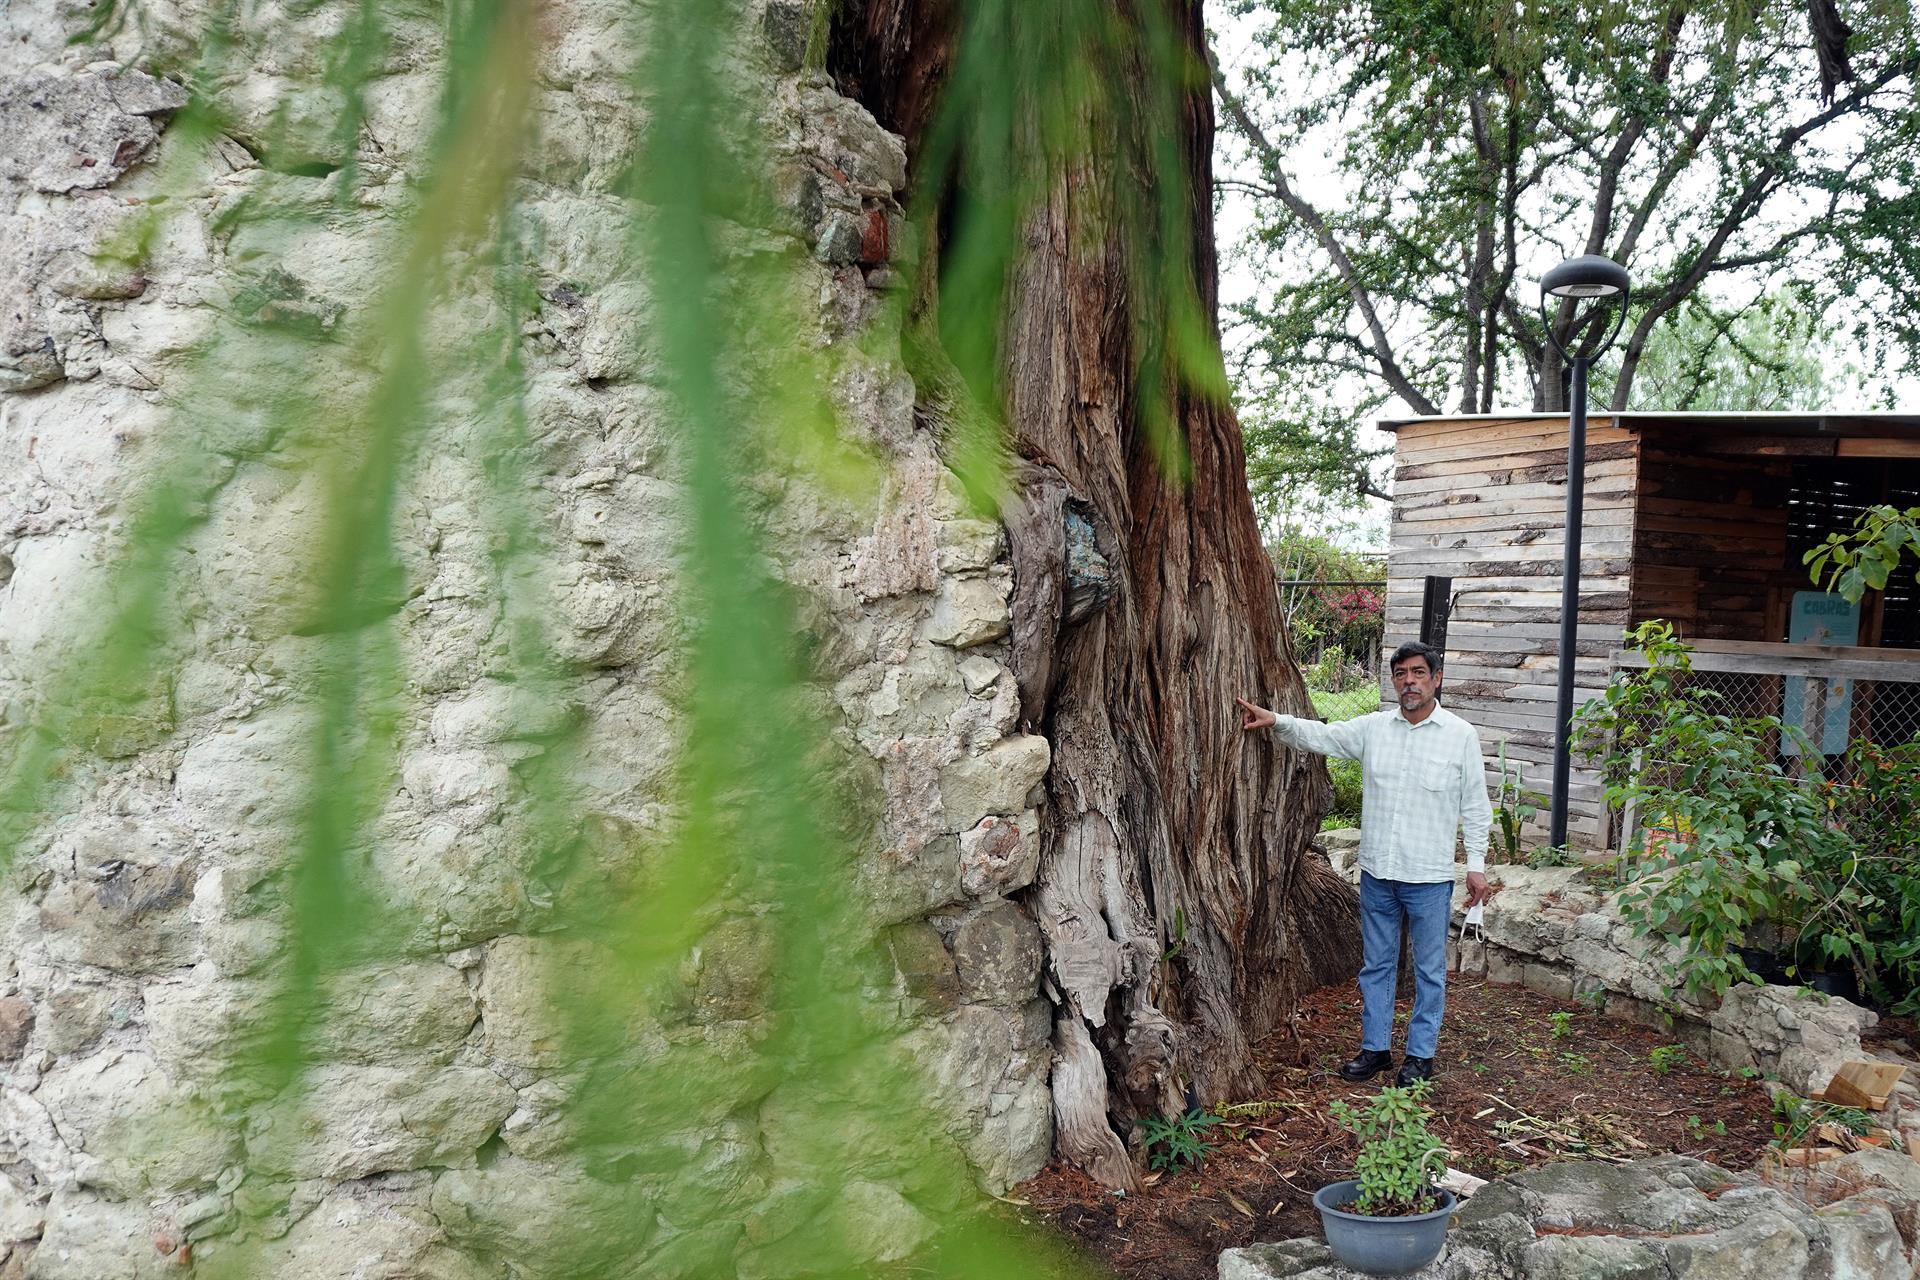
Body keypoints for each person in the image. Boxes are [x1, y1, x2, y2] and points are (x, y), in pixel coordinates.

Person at [1236, 641, 1492, 1087]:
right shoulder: (1375, 729)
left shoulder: (1459, 736)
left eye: (1417, 673)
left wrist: (1476, 864)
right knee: (1376, 965)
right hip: (1378, 874)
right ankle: (1375, 1049)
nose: (1408, 681)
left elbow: (1476, 806)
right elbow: (1324, 735)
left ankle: (1420, 1056)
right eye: (1400, 674)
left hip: (1428, 878)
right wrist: (1276, 721)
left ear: (1436, 679)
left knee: (1429, 970)